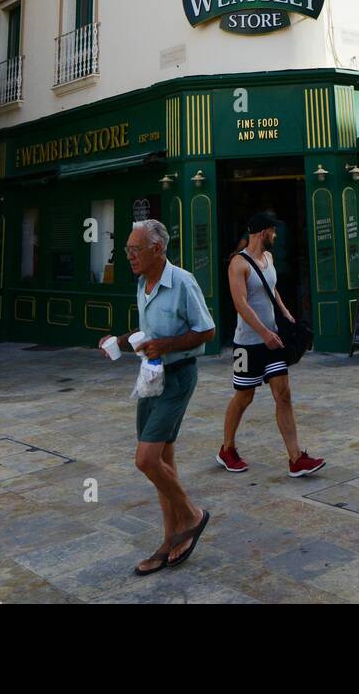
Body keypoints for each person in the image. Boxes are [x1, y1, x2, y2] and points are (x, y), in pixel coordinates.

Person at [98, 219, 215, 576]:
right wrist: (120, 341)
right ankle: (170, 541)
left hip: (178, 377)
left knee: (146, 460)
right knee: (163, 461)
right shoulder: (141, 283)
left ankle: (193, 516)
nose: (129, 256)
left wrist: (166, 345)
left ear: (157, 249)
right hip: (150, 376)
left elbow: (207, 330)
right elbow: (149, 331)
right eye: (127, 250)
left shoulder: (182, 282)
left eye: (135, 250)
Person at [217, 211, 324, 478]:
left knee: (283, 394)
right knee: (244, 396)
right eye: (273, 232)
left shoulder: (269, 258)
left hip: (273, 340)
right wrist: (264, 332)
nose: (276, 236)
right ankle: (227, 449)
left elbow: (271, 288)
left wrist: (285, 312)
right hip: (247, 344)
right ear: (263, 232)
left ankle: (296, 458)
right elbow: (240, 304)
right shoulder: (237, 264)